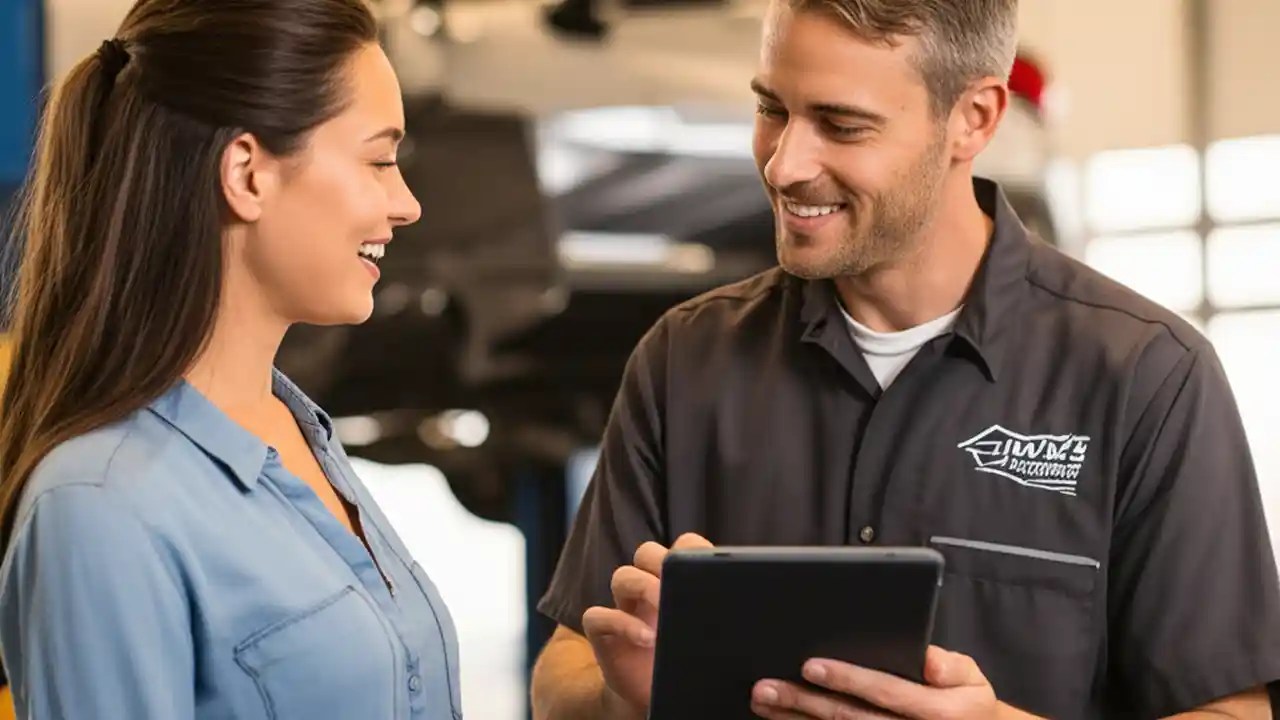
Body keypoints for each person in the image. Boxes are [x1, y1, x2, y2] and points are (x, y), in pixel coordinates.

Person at [529, 0, 1280, 718]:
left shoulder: (1146, 378)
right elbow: (565, 669)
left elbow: (1232, 709)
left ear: (973, 118)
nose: (786, 164)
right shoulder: (684, 361)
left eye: (842, 125)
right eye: (772, 109)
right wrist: (620, 698)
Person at [0, 1, 462, 717]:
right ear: (247, 174)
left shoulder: (299, 434)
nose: (407, 205)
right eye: (378, 161)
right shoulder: (99, 508)